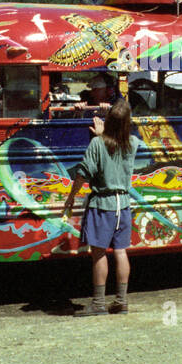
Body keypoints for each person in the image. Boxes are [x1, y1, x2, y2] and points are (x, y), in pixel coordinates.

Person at [62, 98, 136, 316]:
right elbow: (117, 145)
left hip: (102, 204)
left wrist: (70, 197)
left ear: (109, 121)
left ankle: (99, 303)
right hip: (123, 205)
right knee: (121, 252)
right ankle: (121, 301)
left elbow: (82, 173)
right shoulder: (133, 144)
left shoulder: (97, 144)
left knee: (99, 253)